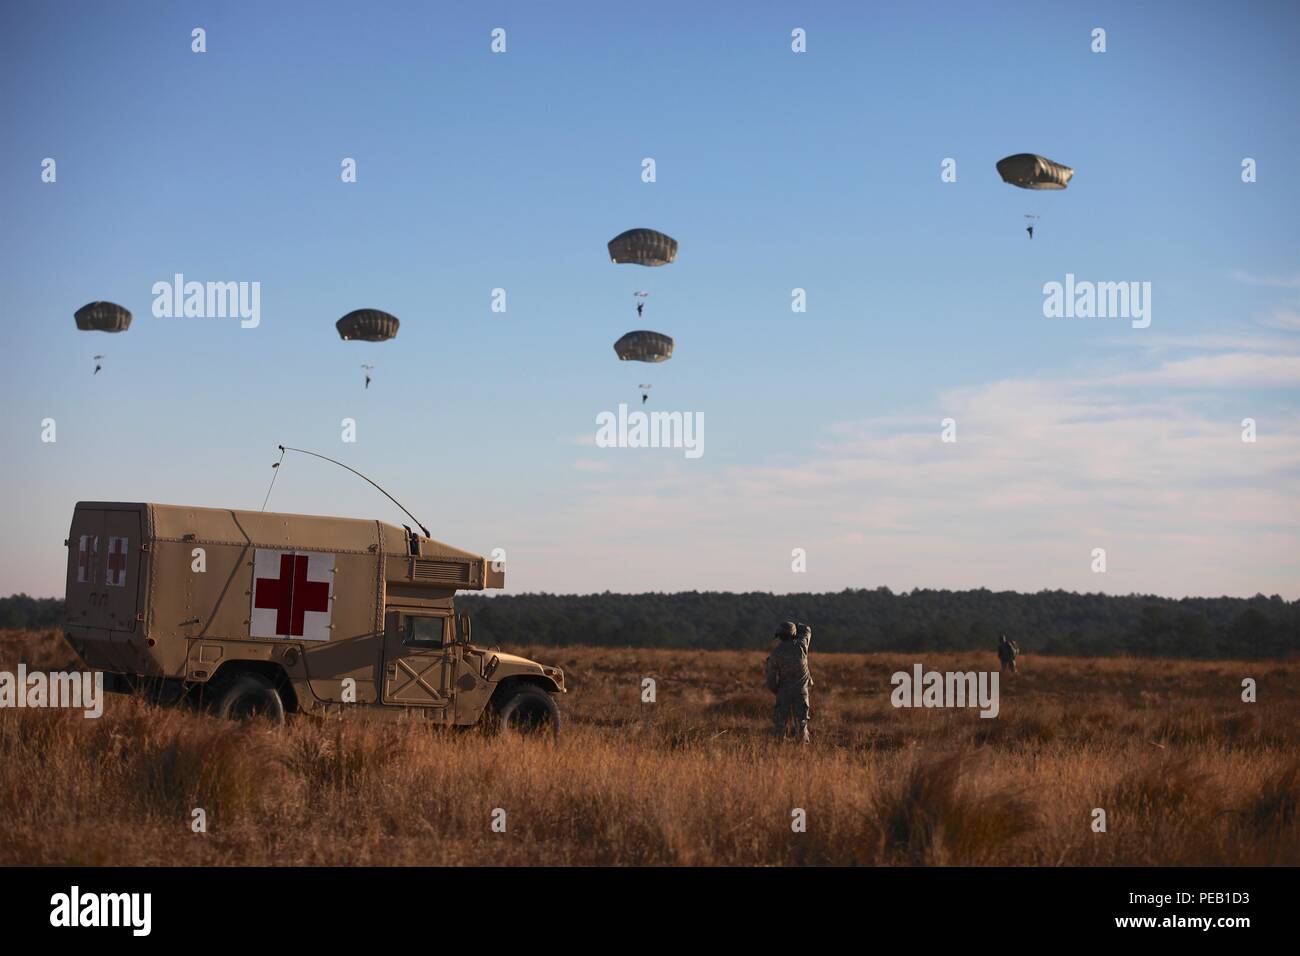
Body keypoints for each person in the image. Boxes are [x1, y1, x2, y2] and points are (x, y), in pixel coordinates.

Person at [766, 620, 813, 743]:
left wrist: (778, 691)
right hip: (801, 692)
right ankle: (802, 748)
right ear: (793, 634)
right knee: (801, 722)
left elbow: (771, 680)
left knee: (780, 723)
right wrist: (796, 626)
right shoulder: (801, 646)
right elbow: (807, 629)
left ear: (780, 636)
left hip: (784, 691)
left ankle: (778, 746)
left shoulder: (775, 654)